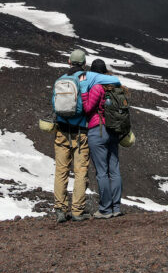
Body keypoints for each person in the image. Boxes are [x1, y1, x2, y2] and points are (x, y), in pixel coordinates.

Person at [53, 49, 92, 223]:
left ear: (69, 62)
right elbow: (88, 106)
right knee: (80, 171)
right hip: (80, 133)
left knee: (61, 171)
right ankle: (77, 211)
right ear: (84, 64)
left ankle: (60, 209)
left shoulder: (60, 80)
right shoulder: (85, 82)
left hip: (61, 131)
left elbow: (54, 104)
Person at [83, 59, 123, 218]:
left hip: (98, 130)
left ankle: (105, 209)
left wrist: (85, 93)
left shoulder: (97, 87)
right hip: (114, 130)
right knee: (114, 170)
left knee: (102, 172)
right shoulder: (115, 87)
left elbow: (87, 108)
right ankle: (116, 207)